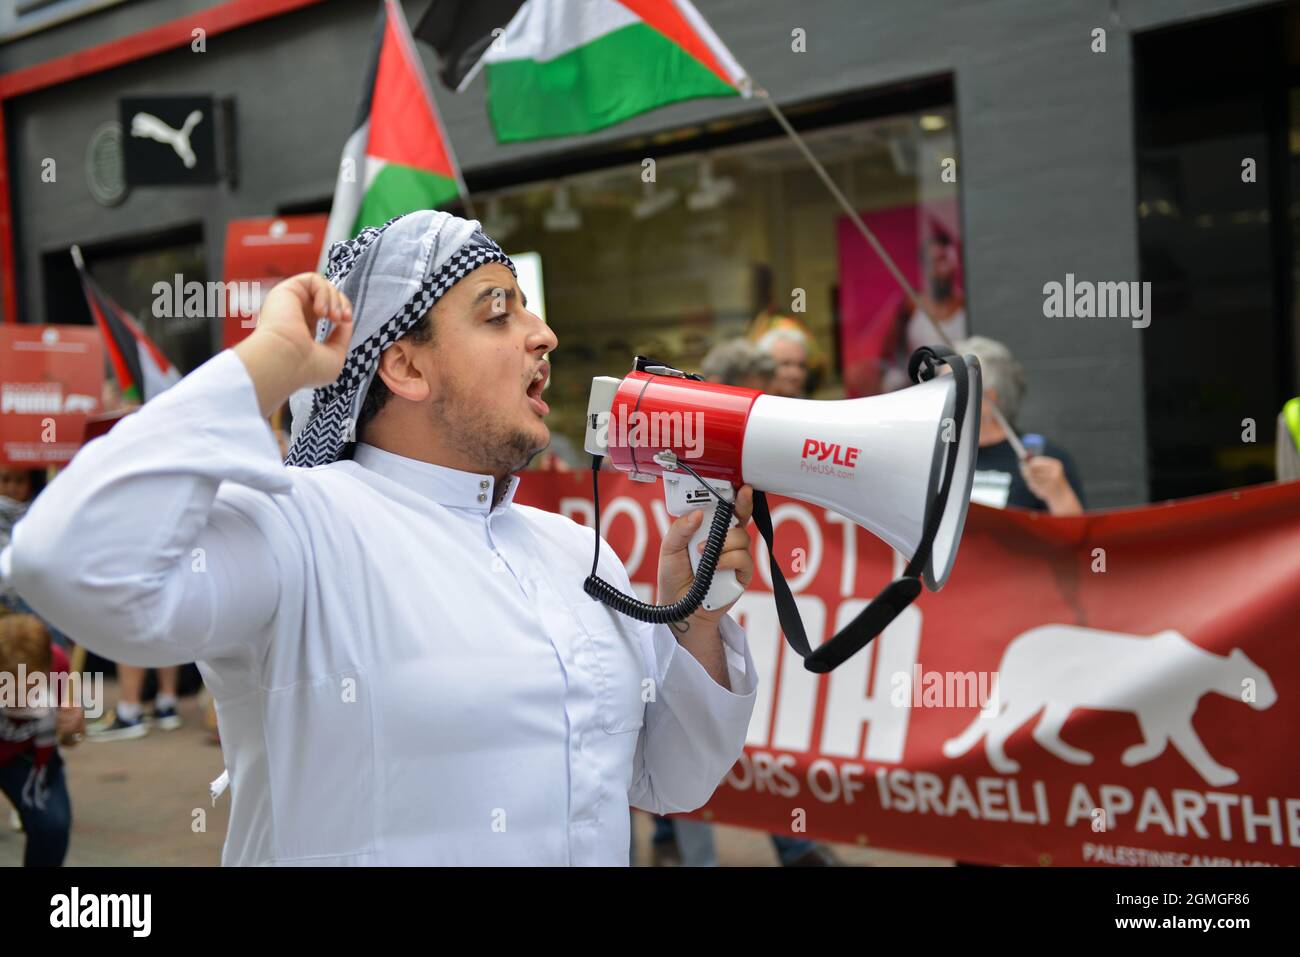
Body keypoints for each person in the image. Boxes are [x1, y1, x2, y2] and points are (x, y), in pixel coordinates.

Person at [3, 210, 758, 866]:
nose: (544, 335)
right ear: (403, 365)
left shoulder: (578, 552)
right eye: (499, 314)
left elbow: (673, 779)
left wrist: (693, 619)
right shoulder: (296, 527)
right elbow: (64, 561)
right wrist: (268, 362)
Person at [957, 336, 1085, 515]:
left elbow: (1077, 536)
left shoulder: (1042, 459)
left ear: (986, 399)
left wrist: (1058, 494)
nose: (939, 398)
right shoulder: (941, 455)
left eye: (951, 388)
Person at [0, 612, 82, 866]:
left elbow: (69, 740)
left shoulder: (58, 664)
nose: (20, 700)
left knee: (53, 826)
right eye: (8, 689)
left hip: (28, 758)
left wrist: (74, 728)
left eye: (29, 689)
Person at [756, 327, 811, 399]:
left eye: (801, 366)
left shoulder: (810, 408)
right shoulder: (749, 408)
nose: (796, 374)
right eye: (786, 364)